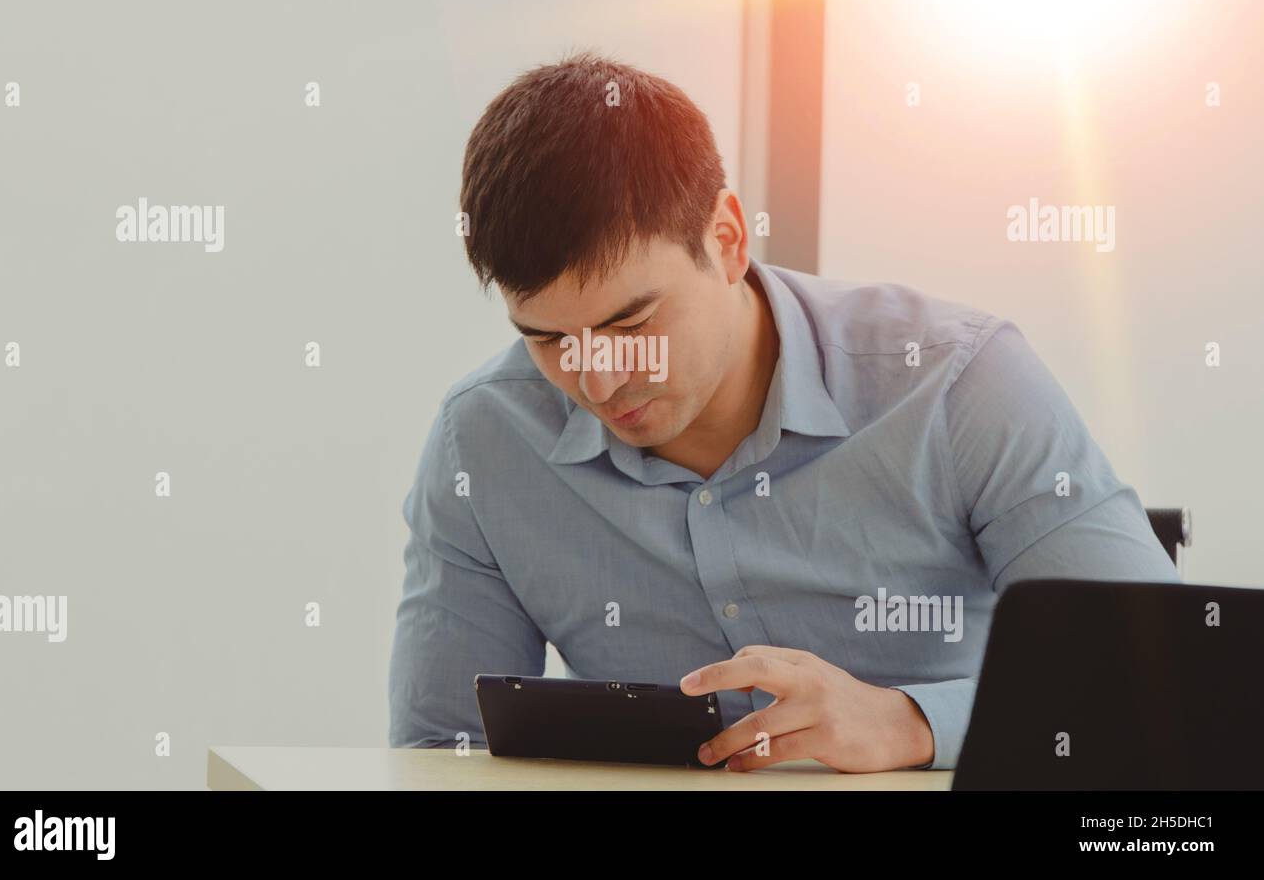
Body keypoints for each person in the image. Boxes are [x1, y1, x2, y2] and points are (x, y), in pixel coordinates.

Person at [388, 51, 1178, 772]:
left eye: (630, 327)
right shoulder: (482, 444)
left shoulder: (958, 383)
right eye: (549, 340)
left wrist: (911, 723)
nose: (596, 385)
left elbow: (1155, 683)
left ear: (727, 240)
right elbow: (438, 757)